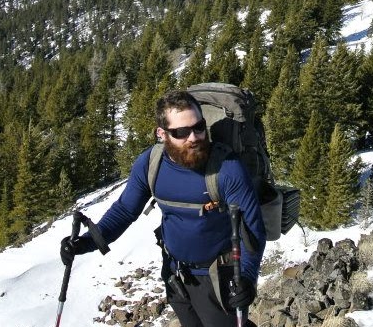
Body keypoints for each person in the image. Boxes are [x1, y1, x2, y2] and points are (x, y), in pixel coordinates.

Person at [60, 90, 266, 326]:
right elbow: (124, 211)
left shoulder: (228, 169)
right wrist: (85, 243)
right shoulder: (151, 164)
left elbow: (253, 228)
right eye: (181, 132)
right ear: (162, 133)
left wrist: (247, 278)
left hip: (220, 278)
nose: (194, 137)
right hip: (175, 275)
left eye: (199, 127)